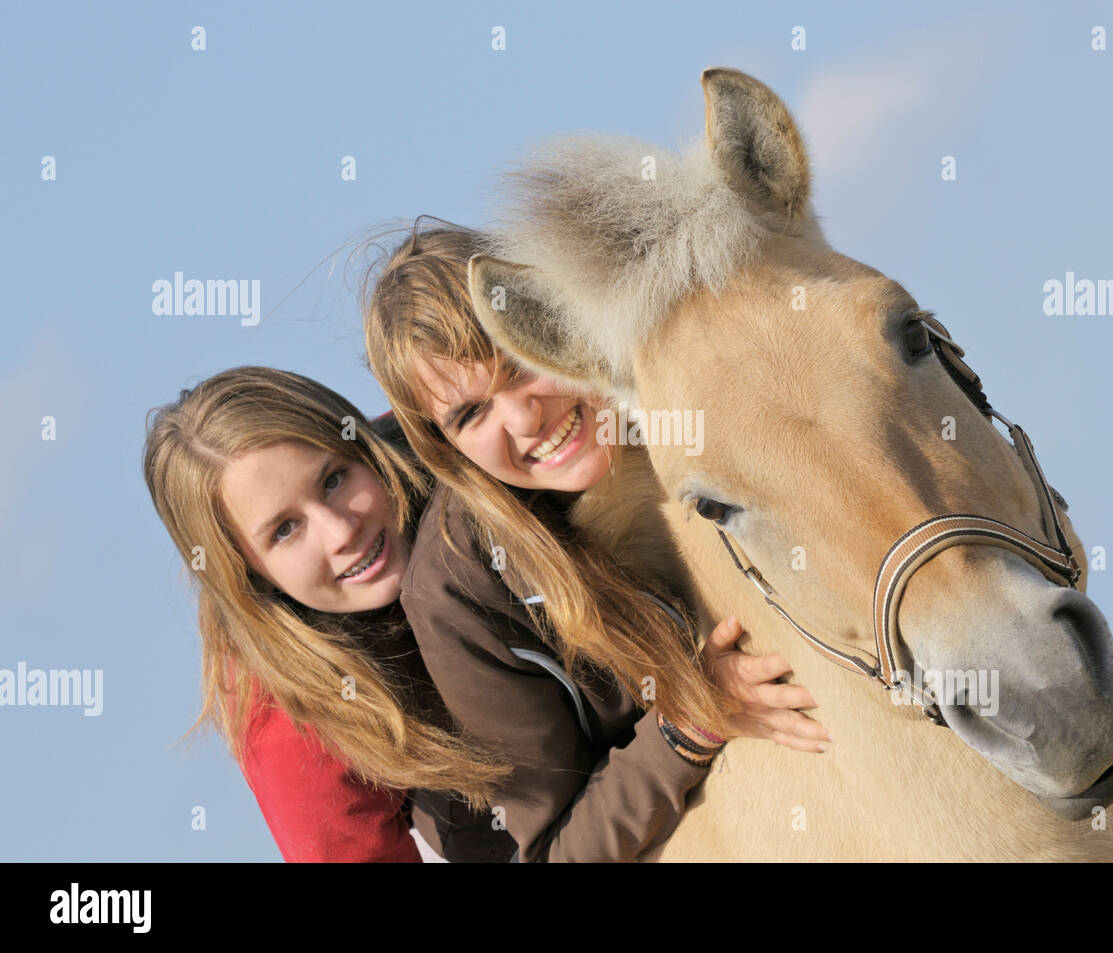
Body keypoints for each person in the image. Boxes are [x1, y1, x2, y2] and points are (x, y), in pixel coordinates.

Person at [362, 221, 832, 862]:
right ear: (444, 448)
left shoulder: (684, 398)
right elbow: (554, 852)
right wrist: (691, 720)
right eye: (470, 414)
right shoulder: (457, 590)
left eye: (521, 363)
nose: (524, 420)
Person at [142, 366, 515, 862]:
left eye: (334, 479)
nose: (340, 530)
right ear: (248, 575)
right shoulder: (287, 717)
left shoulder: (466, 434)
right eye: (284, 530)